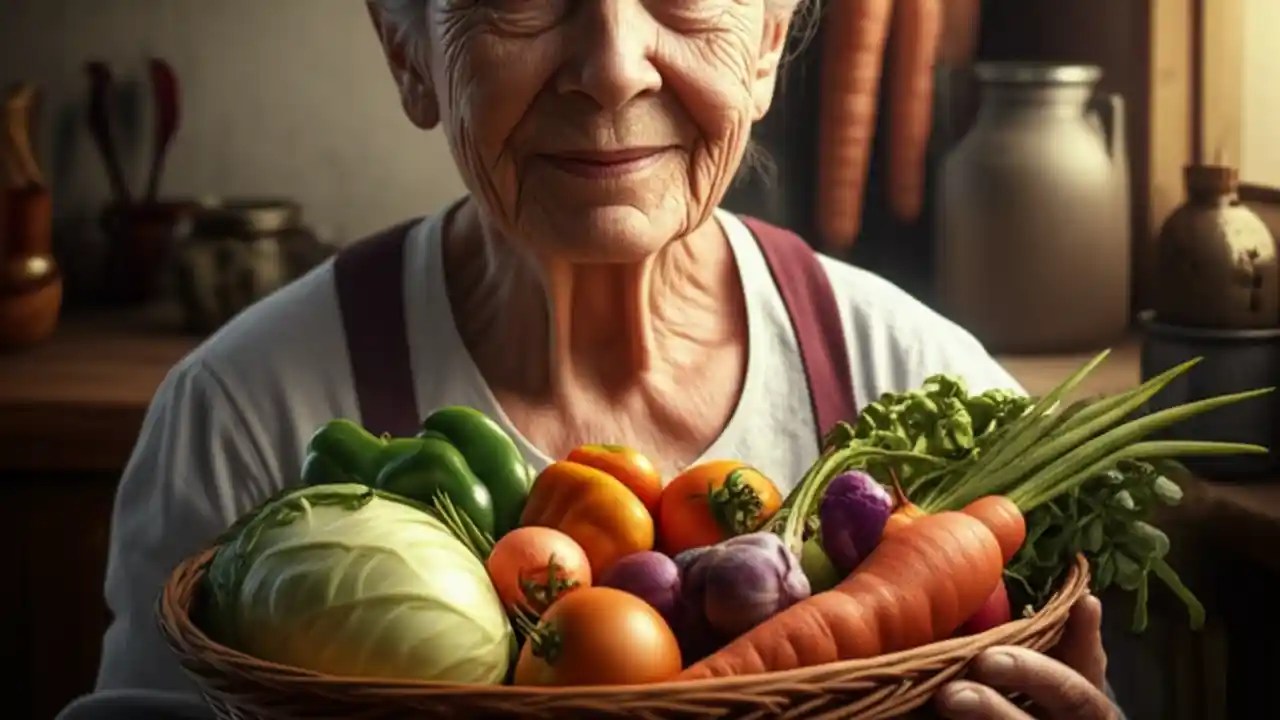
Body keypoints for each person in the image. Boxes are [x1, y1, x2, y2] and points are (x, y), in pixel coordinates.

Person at [77, 1, 1121, 719]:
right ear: (406, 50)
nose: (613, 64)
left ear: (765, 40)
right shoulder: (246, 410)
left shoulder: (918, 380)